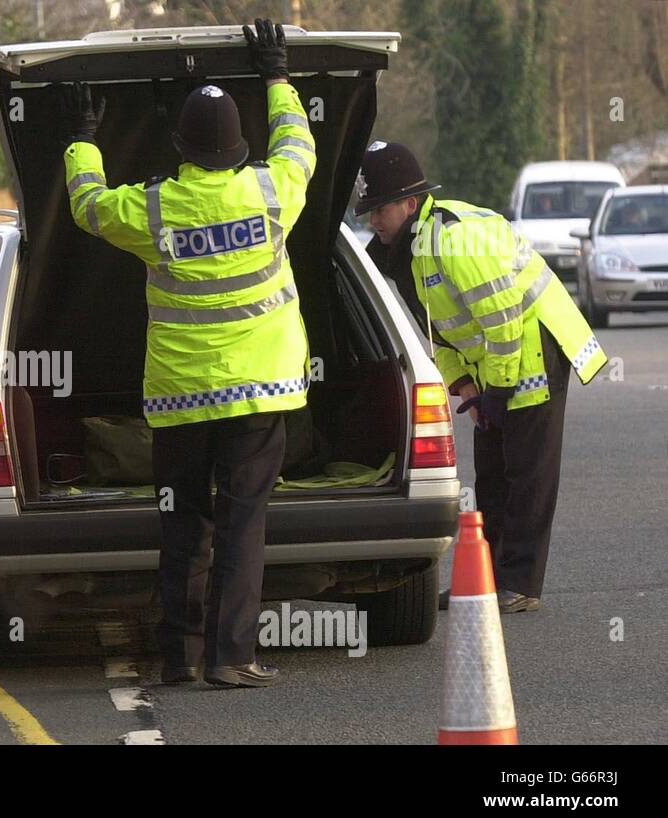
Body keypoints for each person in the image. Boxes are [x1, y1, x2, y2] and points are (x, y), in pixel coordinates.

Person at [62, 19, 316, 686]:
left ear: (177, 146)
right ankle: (232, 656)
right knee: (241, 523)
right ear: (240, 149)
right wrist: (278, 78)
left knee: (183, 525)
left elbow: (86, 206)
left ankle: (177, 655)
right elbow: (299, 145)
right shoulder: (273, 191)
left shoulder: (152, 211)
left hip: (180, 401)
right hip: (259, 393)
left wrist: (84, 140)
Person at [359, 141, 608, 613]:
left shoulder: (455, 241)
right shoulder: (407, 253)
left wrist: (497, 390)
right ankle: (487, 580)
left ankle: (520, 584)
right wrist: (465, 387)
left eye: (380, 209)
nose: (373, 220)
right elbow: (436, 334)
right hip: (498, 362)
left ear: (410, 204)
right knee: (492, 473)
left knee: (527, 473)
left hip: (534, 349)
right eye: (369, 210)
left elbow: (503, 321)